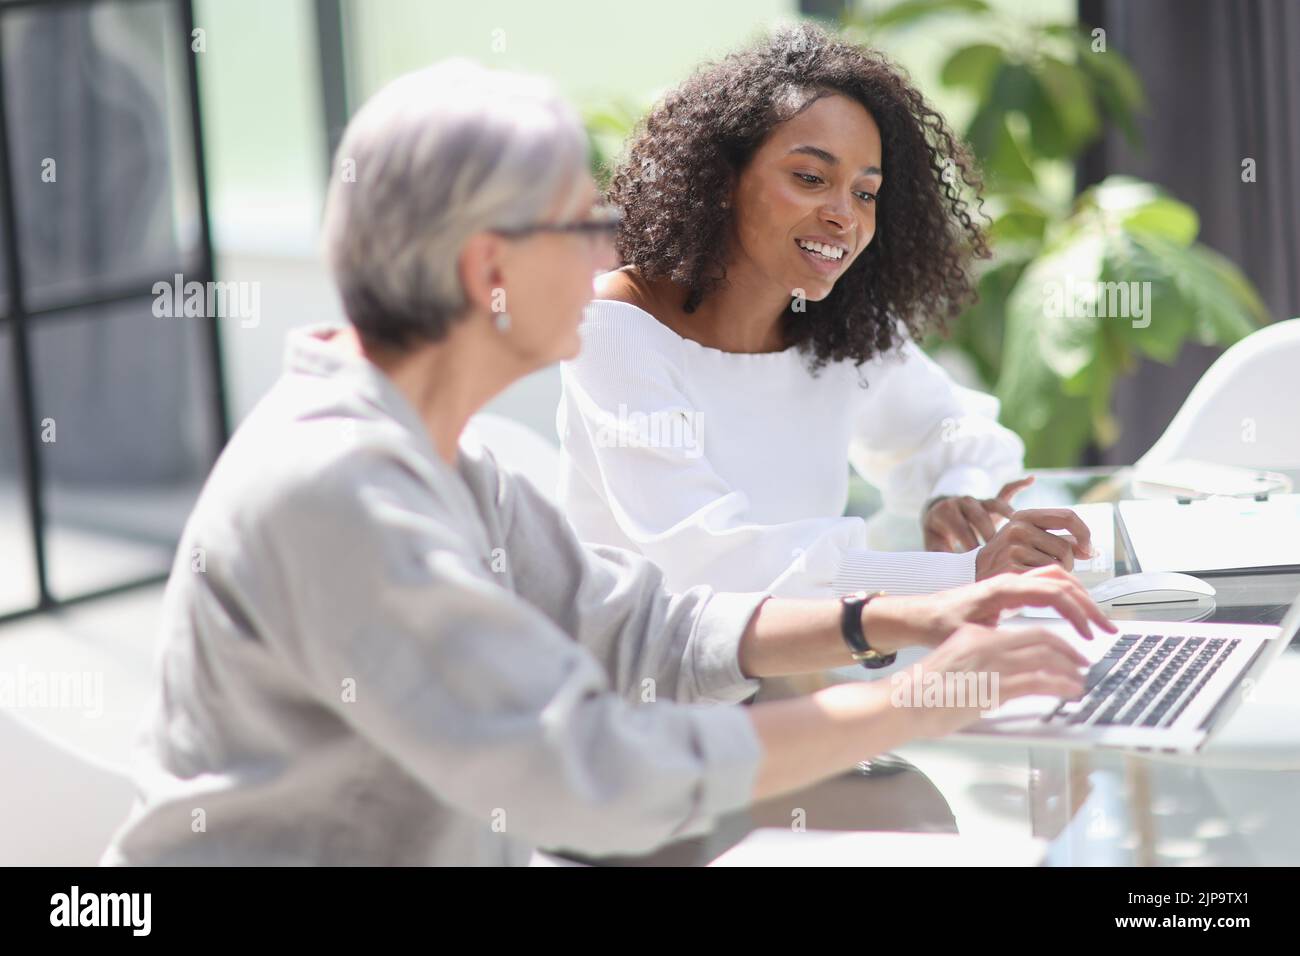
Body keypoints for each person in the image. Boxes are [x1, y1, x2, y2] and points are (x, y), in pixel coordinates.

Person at [102, 59, 1109, 867]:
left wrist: (913, 615)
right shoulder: (337, 488)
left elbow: (649, 629)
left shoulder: (451, 468)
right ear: (487, 269)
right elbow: (588, 769)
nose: (611, 256)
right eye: (583, 224)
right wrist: (913, 693)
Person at [558, 24, 1095, 604]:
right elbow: (715, 563)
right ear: (721, 181)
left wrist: (952, 496)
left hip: (809, 663)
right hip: (659, 687)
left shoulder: (836, 324)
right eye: (811, 178)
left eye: (865, 193)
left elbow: (961, 435)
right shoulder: (613, 324)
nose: (845, 216)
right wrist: (966, 573)